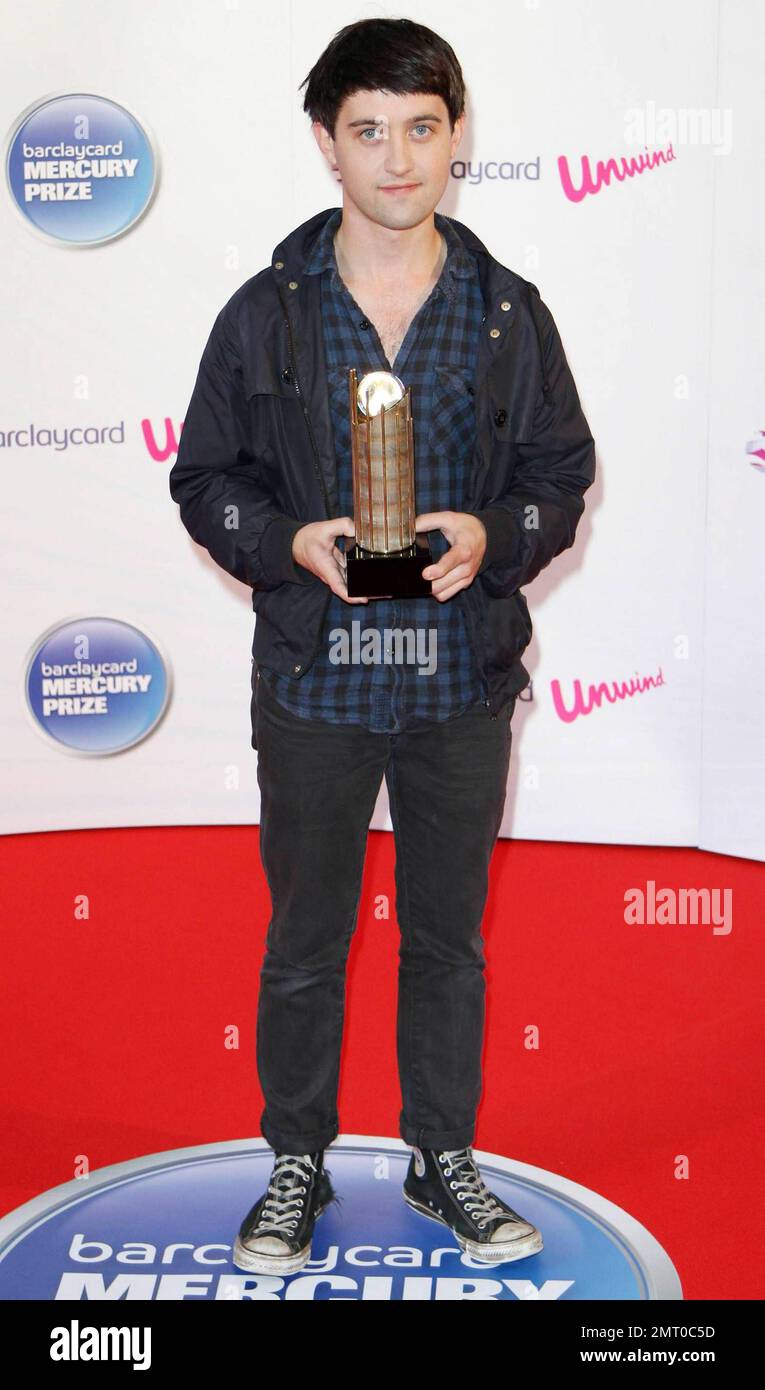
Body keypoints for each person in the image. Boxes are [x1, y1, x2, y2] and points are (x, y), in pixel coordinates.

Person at [169, 16, 596, 1278]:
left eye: (421, 129)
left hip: (462, 680)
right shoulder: (265, 312)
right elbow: (204, 480)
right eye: (368, 131)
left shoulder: (510, 312)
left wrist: (495, 531)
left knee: (447, 938)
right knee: (306, 940)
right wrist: (290, 539)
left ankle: (440, 1155)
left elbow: (561, 478)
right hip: (315, 677)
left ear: (456, 137)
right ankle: (294, 1158)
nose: (397, 158)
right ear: (325, 144)